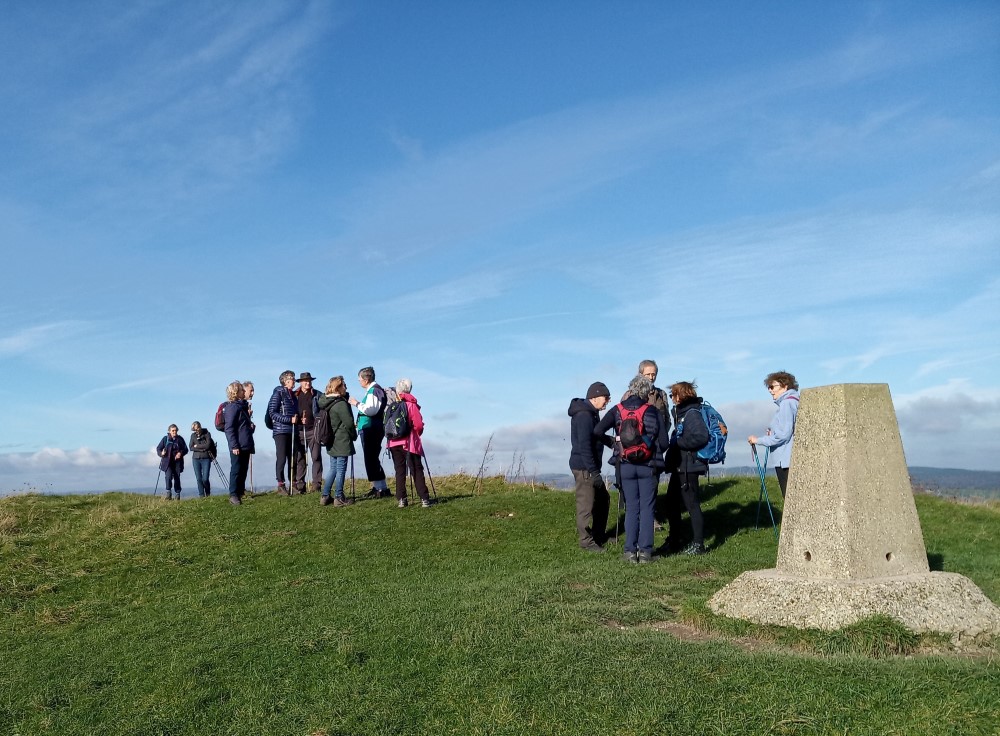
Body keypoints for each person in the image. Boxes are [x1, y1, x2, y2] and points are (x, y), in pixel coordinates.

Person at [595, 375, 668, 563]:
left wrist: (614, 444)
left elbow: (597, 431)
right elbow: (665, 443)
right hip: (648, 466)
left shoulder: (617, 410)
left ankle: (629, 552)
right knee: (647, 508)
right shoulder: (652, 411)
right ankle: (645, 553)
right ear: (647, 393)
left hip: (625, 465)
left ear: (630, 389)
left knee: (632, 508)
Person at [664, 381, 711, 555]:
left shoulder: (691, 414)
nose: (672, 399)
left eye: (673, 395)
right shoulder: (683, 413)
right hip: (681, 466)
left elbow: (701, 437)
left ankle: (698, 545)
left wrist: (678, 443)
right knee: (671, 504)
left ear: (680, 395)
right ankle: (675, 540)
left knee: (692, 505)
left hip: (688, 467)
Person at [568, 381, 614, 552]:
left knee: (603, 499)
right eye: (605, 398)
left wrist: (613, 442)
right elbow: (585, 446)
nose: (607, 401)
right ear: (594, 397)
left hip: (589, 467)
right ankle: (586, 541)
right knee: (586, 505)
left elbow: (597, 435)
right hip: (584, 467)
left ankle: (598, 534)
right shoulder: (584, 416)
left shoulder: (591, 413)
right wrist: (594, 472)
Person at [748, 371, 800, 498]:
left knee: (789, 500)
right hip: (793, 457)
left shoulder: (786, 404)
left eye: (773, 387)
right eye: (769, 387)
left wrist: (759, 440)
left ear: (785, 386)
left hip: (785, 460)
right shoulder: (796, 401)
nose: (770, 391)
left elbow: (783, 435)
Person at [386, 378, 433, 508]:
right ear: (409, 389)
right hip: (409, 442)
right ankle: (424, 499)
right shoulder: (411, 405)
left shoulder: (392, 405)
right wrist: (418, 432)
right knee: (417, 469)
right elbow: (418, 425)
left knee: (399, 471)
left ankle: (402, 499)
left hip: (393, 442)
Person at [349, 366, 390, 499]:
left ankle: (379, 488)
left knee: (370, 457)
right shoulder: (374, 390)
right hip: (372, 427)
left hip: (371, 428)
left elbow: (371, 410)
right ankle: (380, 487)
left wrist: (356, 404)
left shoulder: (374, 391)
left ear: (366, 379)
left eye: (360, 379)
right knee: (373, 457)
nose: (359, 381)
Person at [317, 376, 357, 507]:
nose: (346, 388)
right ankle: (339, 497)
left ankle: (325, 495)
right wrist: (353, 435)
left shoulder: (325, 402)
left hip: (330, 438)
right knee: (340, 469)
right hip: (341, 439)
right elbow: (349, 423)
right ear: (338, 387)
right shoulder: (340, 404)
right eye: (344, 385)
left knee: (333, 468)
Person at [267, 370, 304, 495]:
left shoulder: (293, 395)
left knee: (292, 458)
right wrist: (289, 419)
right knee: (282, 458)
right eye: (292, 378)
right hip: (281, 431)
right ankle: (281, 484)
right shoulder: (278, 393)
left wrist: (299, 420)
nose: (294, 380)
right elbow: (272, 413)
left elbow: (294, 413)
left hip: (292, 430)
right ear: (285, 380)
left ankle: (292, 484)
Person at [223, 381, 255, 505]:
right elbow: (229, 428)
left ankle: (240, 492)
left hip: (245, 442)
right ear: (236, 392)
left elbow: (242, 426)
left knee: (243, 469)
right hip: (238, 444)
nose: (244, 391)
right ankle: (233, 494)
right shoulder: (232, 407)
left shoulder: (242, 406)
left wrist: (251, 427)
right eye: (242, 390)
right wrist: (234, 445)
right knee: (236, 469)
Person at [295, 372, 324, 492]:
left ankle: (316, 484)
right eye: (305, 381)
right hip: (299, 430)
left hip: (313, 429)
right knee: (300, 457)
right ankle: (300, 484)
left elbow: (323, 409)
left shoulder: (317, 394)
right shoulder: (294, 395)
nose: (308, 383)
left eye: (309, 380)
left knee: (316, 456)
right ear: (301, 382)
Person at [156, 424, 188, 500]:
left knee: (177, 478)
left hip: (177, 462)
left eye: (176, 430)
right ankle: (168, 494)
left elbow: (186, 449)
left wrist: (180, 453)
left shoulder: (180, 439)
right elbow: (158, 448)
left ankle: (177, 495)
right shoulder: (165, 439)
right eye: (173, 430)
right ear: (169, 431)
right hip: (167, 462)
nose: (174, 432)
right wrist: (161, 453)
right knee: (168, 476)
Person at [189, 421, 216, 497]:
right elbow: (190, 447)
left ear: (200, 427)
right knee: (199, 478)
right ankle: (201, 495)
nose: (196, 431)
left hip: (206, 458)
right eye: (194, 430)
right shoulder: (193, 436)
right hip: (196, 459)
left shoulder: (207, 434)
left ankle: (207, 493)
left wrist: (197, 446)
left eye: (197, 429)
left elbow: (208, 445)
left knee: (205, 478)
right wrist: (202, 448)